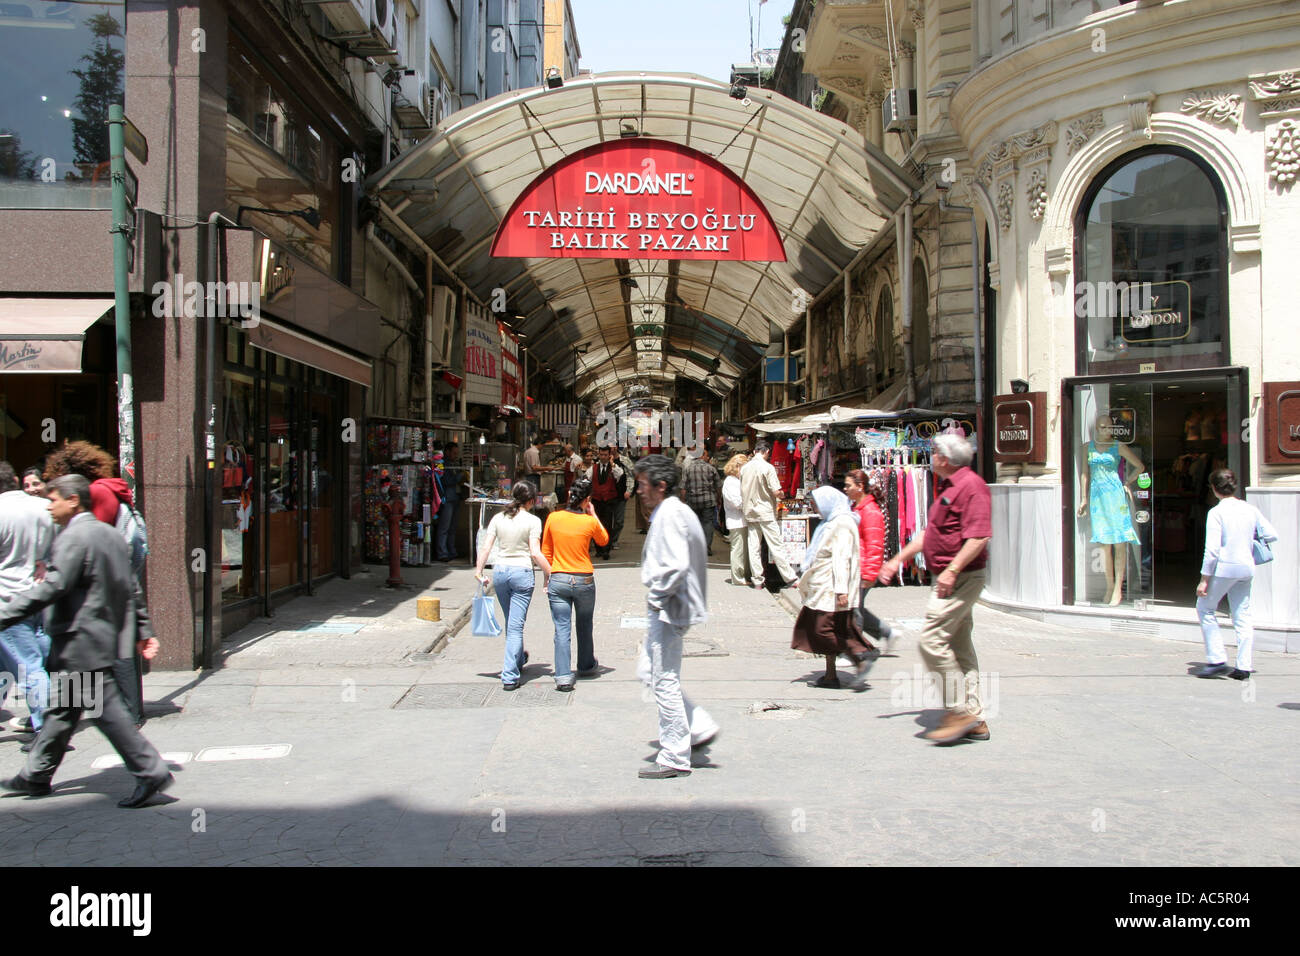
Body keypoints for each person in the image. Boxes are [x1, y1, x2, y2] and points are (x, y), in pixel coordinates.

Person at [0, 475, 171, 808]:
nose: (49, 505)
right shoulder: (110, 535)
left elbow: (53, 587)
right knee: (62, 712)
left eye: (54, 499)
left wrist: (6, 615)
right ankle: (36, 774)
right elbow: (131, 588)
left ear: (73, 501)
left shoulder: (73, 536)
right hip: (95, 638)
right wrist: (144, 630)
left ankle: (150, 771)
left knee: (106, 712)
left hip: (79, 641)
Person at [879, 433, 992, 745]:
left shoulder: (972, 487)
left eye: (934, 451)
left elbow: (980, 536)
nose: (930, 455)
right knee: (959, 647)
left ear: (946, 458)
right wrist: (896, 560)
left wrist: (952, 570)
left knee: (931, 642)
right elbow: (930, 534)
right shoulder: (950, 486)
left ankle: (959, 712)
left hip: (960, 578)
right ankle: (975, 717)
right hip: (949, 576)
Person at [42, 440, 148, 727]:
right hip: (114, 579)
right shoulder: (111, 488)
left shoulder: (98, 493)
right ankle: (117, 715)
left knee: (114, 649)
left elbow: (90, 541)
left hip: (100, 585)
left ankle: (127, 715)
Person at [634, 454, 718, 778]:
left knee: (664, 679)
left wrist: (655, 599)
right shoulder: (676, 511)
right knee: (649, 669)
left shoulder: (669, 514)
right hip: (673, 606)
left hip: (670, 608)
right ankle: (697, 727)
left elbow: (675, 565)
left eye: (642, 485)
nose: (638, 491)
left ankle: (674, 756)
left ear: (661, 485)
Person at [1194, 468, 1279, 679]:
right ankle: (1244, 665)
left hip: (1226, 567)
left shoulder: (1216, 512)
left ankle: (1216, 659)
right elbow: (1271, 534)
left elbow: (1212, 550)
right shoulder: (1249, 509)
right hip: (1246, 567)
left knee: (1205, 608)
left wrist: (1204, 579)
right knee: (1242, 614)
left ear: (1214, 489)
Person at [792, 486, 876, 689]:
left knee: (823, 629)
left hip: (832, 587)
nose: (815, 508)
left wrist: (841, 590)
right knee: (832, 627)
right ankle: (831, 675)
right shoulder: (831, 522)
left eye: (817, 504)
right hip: (823, 585)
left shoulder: (842, 524)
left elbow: (841, 558)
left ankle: (860, 657)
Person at [475, 482, 551, 690]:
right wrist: (548, 572)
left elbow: (487, 546)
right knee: (516, 626)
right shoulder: (533, 521)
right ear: (532, 500)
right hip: (521, 573)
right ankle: (509, 675)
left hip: (500, 572)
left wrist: (479, 570)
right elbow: (535, 552)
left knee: (512, 622)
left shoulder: (498, 518)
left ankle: (517, 660)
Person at [0, 461, 54, 743]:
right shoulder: (43, 507)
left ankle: (47, 729)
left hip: (8, 602)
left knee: (29, 667)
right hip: (37, 597)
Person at [540, 477, 608, 690]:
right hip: (584, 579)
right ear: (587, 500)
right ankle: (586, 665)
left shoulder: (553, 518)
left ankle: (562, 675)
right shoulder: (588, 522)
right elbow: (604, 540)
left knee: (561, 627)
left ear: (569, 495)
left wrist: (547, 577)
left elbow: (546, 552)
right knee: (584, 624)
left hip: (558, 578)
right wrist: (594, 514)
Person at [1077, 414, 1142, 606]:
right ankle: (1109, 585)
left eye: (1110, 427)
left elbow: (1139, 466)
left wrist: (1127, 482)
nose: (1107, 430)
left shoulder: (1118, 446)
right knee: (1105, 544)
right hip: (1097, 498)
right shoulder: (1087, 447)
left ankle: (1117, 590)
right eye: (1103, 427)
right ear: (1097, 429)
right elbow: (1084, 473)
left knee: (1119, 543)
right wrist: (1083, 498)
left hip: (1115, 495)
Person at [845, 469, 897, 655]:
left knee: (854, 610)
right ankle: (886, 633)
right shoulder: (856, 508)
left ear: (860, 487)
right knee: (856, 607)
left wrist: (869, 573)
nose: (845, 489)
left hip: (863, 567)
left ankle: (857, 652)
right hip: (855, 566)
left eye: (849, 485)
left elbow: (875, 545)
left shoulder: (870, 510)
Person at [739, 441, 797, 590]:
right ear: (766, 452)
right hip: (765, 511)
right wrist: (783, 494)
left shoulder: (745, 468)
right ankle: (789, 577)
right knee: (776, 545)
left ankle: (757, 580)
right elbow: (776, 491)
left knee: (754, 546)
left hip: (750, 511)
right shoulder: (767, 467)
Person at [681, 447, 721, 557]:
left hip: (693, 500)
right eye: (706, 455)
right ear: (702, 456)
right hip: (709, 500)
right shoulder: (711, 468)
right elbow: (718, 485)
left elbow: (683, 487)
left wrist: (683, 500)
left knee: (695, 523)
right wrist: (718, 498)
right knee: (708, 523)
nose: (708, 457)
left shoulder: (688, 469)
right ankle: (706, 547)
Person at [589, 446, 626, 561]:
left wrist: (612, 463)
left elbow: (620, 474)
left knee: (608, 525)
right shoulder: (594, 468)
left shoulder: (614, 467)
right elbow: (586, 478)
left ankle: (606, 550)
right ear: (598, 455)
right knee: (596, 525)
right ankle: (599, 549)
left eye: (605, 455)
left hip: (609, 501)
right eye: (601, 455)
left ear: (609, 455)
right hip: (596, 500)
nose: (603, 457)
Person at [721, 453, 750, 585]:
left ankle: (742, 575)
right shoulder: (730, 482)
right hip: (736, 521)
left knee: (742, 549)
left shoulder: (735, 481)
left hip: (741, 520)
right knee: (738, 549)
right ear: (737, 467)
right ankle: (738, 577)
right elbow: (737, 503)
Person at [436, 442, 465, 561]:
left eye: (457, 453)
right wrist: (460, 476)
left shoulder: (454, 464)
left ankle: (451, 550)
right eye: (454, 453)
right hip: (448, 498)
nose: (455, 456)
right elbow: (447, 481)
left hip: (455, 498)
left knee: (452, 527)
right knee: (445, 527)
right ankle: (442, 552)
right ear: (447, 452)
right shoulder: (443, 465)